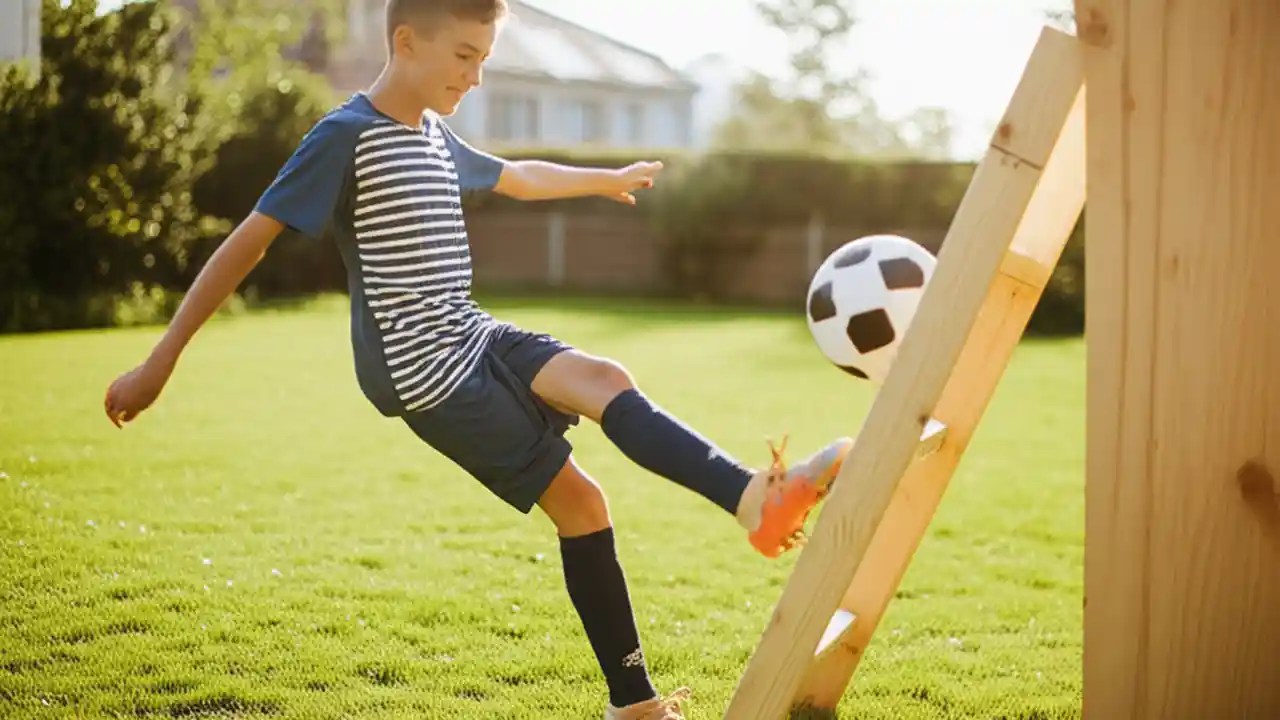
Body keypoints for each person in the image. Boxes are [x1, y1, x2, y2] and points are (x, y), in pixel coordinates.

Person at [103, 1, 853, 717]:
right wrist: (160, 362)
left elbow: (517, 174)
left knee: (605, 380)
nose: (476, 76)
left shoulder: (431, 132)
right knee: (583, 504)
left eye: (484, 59)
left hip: (470, 332)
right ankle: (638, 703)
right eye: (465, 56)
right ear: (405, 42)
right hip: (426, 372)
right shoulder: (346, 135)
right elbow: (249, 240)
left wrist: (604, 177)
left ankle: (753, 502)